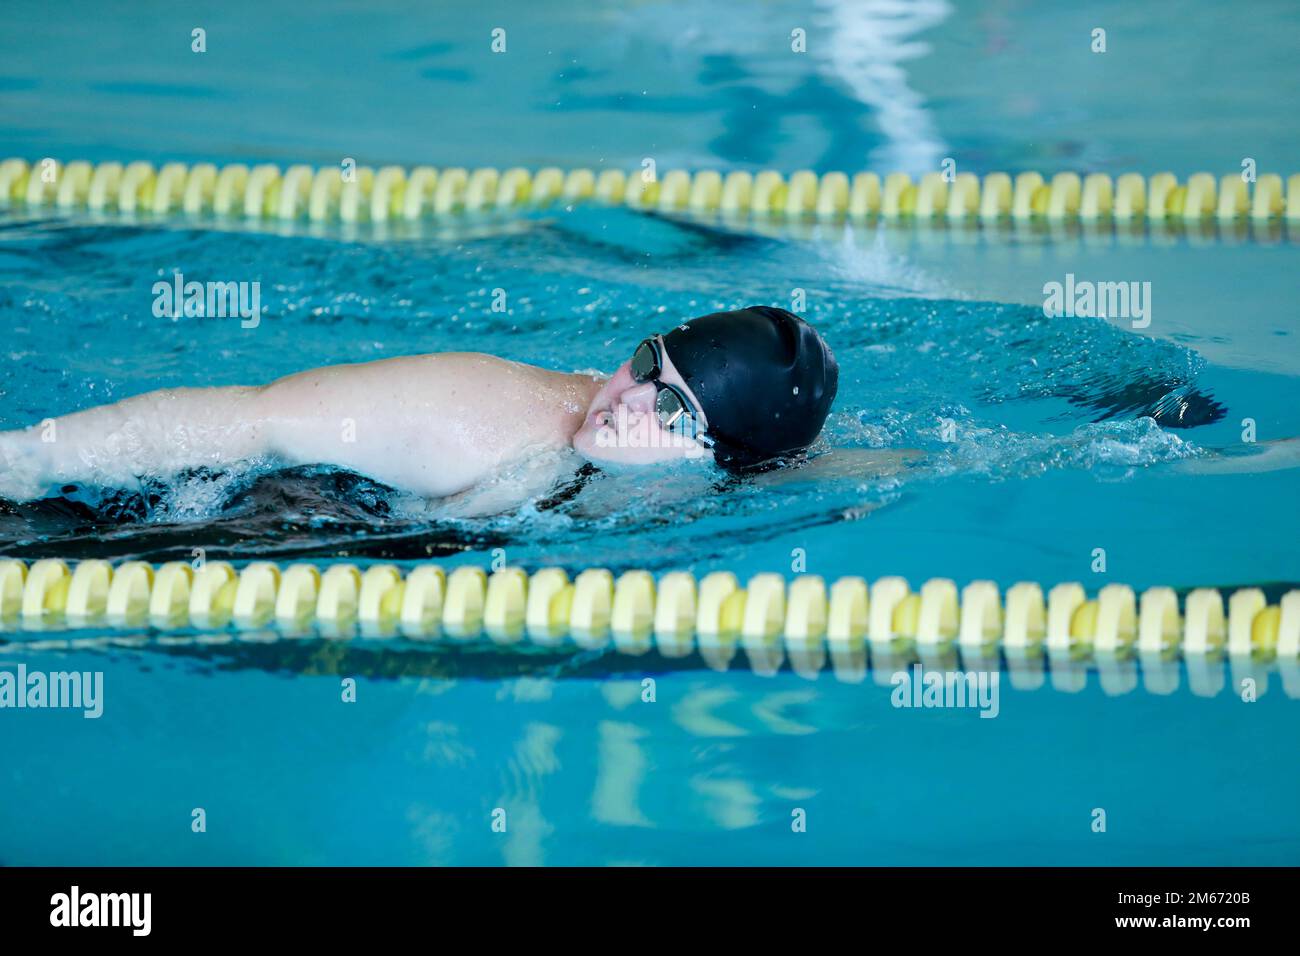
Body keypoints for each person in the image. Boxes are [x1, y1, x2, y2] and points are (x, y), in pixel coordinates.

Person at [0, 306, 839, 505]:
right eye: (647, 363)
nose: (630, 403)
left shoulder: (721, 485)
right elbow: (254, 417)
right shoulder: (477, 409)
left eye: (676, 412)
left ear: (717, 459)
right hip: (251, 523)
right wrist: (27, 459)